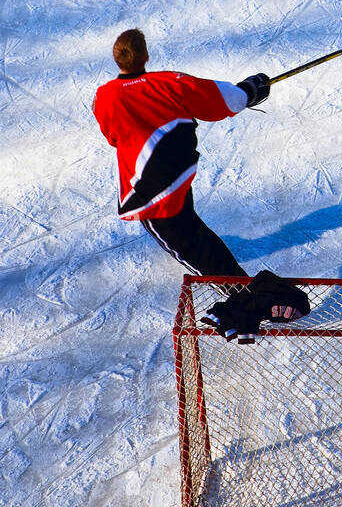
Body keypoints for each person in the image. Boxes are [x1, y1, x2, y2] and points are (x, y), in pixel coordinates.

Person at [92, 27, 308, 337]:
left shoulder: (104, 97)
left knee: (194, 247)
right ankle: (243, 289)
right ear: (146, 56)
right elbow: (222, 100)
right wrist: (251, 89)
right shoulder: (170, 83)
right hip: (174, 182)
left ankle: (248, 299)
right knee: (195, 234)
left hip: (152, 197)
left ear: (117, 59)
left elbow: (112, 136)